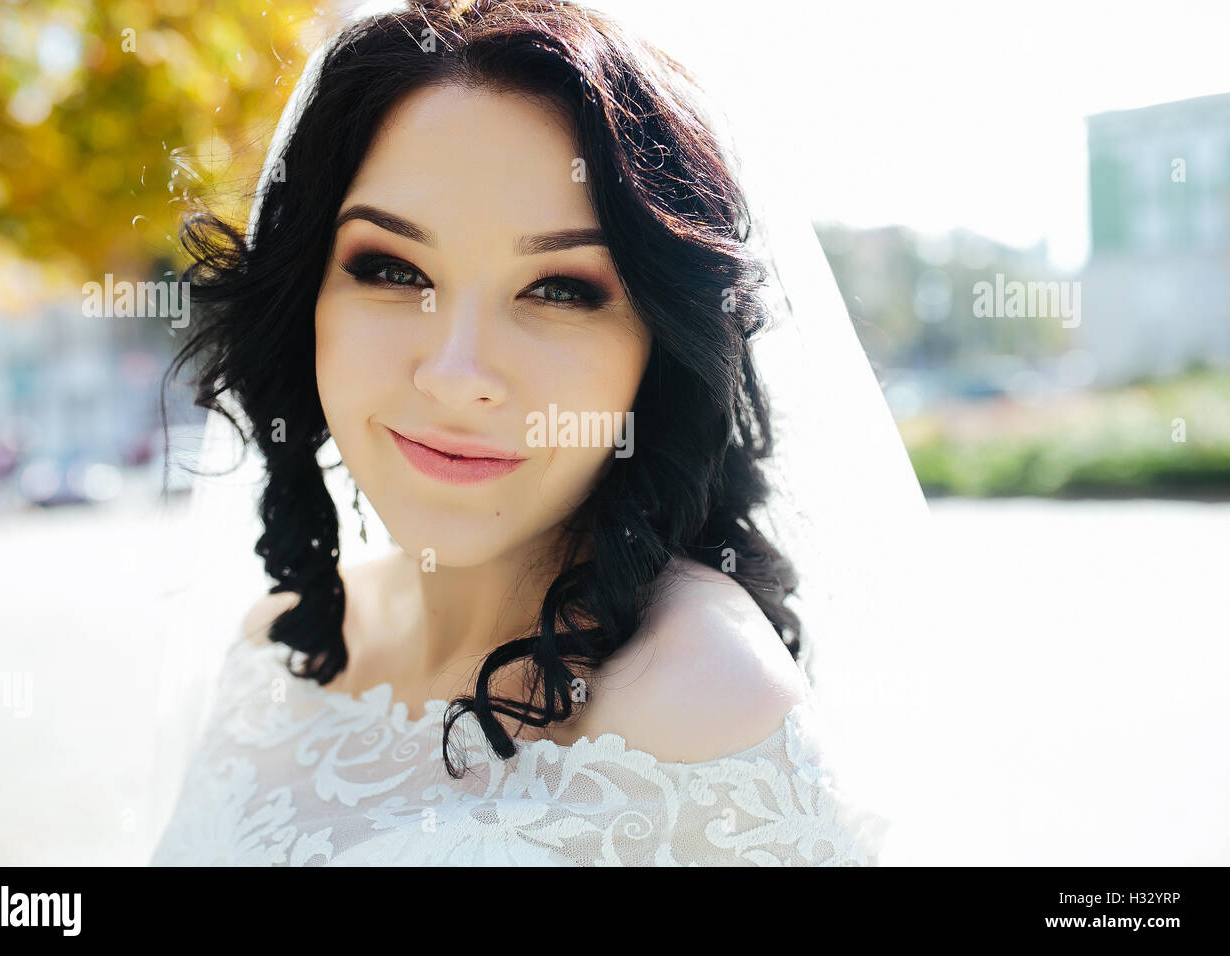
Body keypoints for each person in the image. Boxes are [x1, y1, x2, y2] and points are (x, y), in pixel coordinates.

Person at [149, 0, 916, 866]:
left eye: (559, 288)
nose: (457, 373)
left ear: (658, 351)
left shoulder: (709, 709)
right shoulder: (274, 648)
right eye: (393, 269)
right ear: (307, 302)